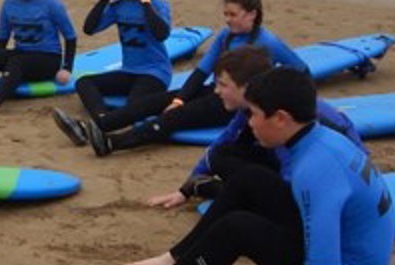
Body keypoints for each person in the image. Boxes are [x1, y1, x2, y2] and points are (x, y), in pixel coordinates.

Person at [84, 66, 395, 265]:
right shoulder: (321, 137)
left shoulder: (314, 169)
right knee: (250, 179)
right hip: (348, 255)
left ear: (281, 118)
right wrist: (279, 261)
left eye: (254, 114)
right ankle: (173, 260)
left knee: (238, 228)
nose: (249, 123)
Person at [88, 0, 310, 156]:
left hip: (234, 107)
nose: (228, 19)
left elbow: (302, 71)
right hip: (215, 92)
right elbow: (202, 71)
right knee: (155, 102)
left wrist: (275, 105)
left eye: (233, 14)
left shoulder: (267, 41)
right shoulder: (226, 36)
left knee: (173, 117)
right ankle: (102, 124)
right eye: (226, 14)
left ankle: (111, 143)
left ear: (252, 14)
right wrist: (179, 98)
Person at [145, 46, 360, 208]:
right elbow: (223, 142)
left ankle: (232, 194)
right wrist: (185, 190)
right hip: (303, 166)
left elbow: (293, 167)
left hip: (337, 173)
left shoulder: (279, 117)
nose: (216, 91)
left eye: (222, 84)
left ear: (247, 87)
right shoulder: (254, 106)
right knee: (223, 154)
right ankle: (222, 191)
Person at [51, 0, 172, 148]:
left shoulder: (159, 4)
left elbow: (161, 34)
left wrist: (146, 2)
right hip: (129, 71)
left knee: (132, 107)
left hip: (155, 74)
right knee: (84, 83)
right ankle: (103, 119)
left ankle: (85, 127)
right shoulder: (118, 6)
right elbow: (89, 28)